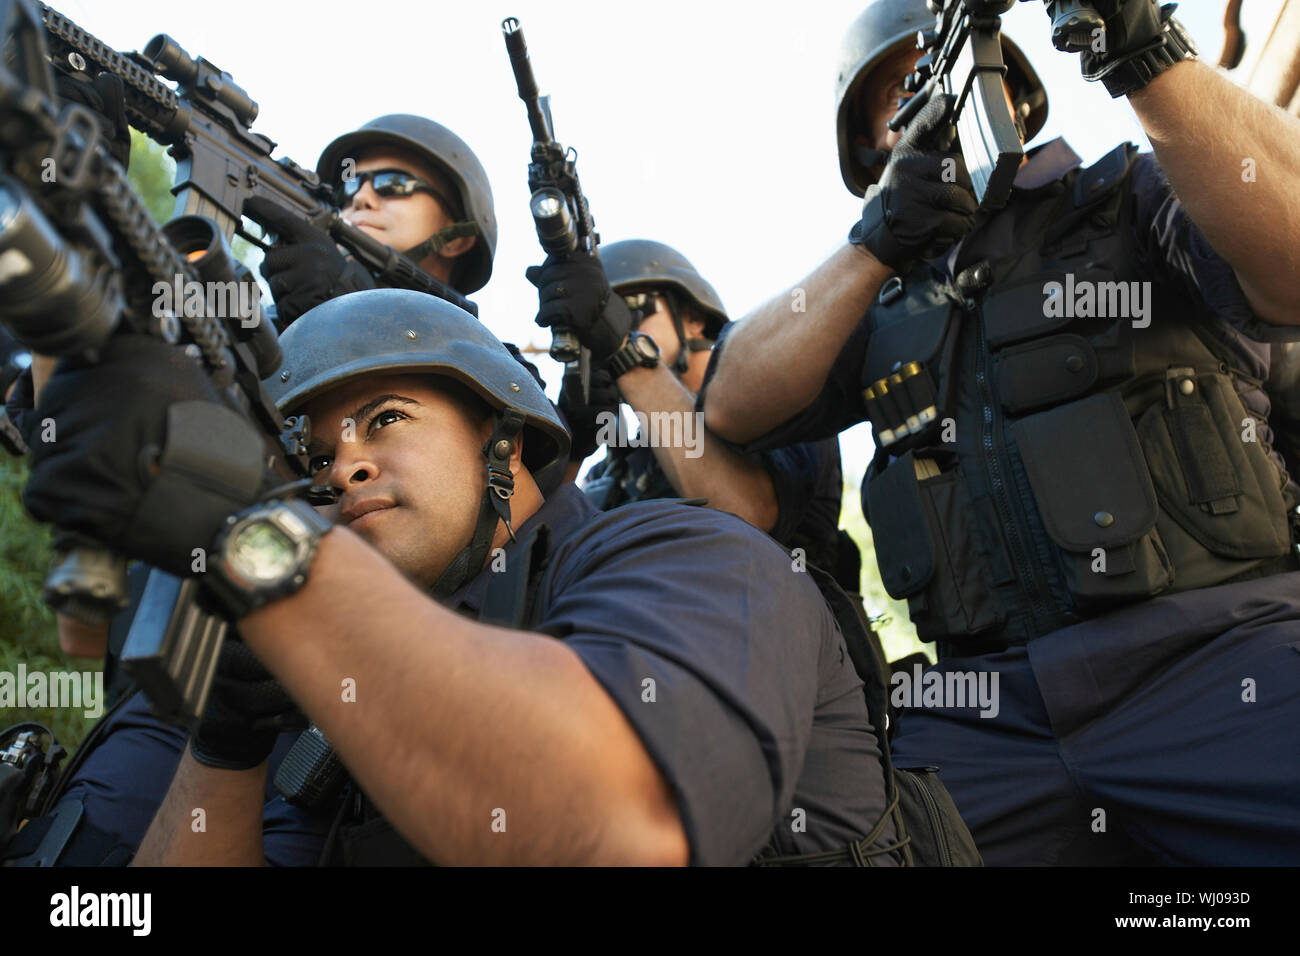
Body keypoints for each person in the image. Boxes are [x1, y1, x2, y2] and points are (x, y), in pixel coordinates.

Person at [699, 0, 1300, 864]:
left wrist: (1144, 51)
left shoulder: (1132, 193)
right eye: (898, 91)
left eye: (943, 67)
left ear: (1014, 91)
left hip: (1218, 654)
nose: (932, 94)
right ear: (872, 149)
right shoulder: (877, 305)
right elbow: (730, 403)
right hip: (985, 711)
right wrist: (877, 243)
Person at [15, 288, 900, 866]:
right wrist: (229, 741)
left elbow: (609, 829)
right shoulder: (343, 683)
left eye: (384, 419)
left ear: (504, 440)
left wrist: (262, 545)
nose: (341, 470)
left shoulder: (690, 557)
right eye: (312, 458)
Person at [534, 239, 851, 578]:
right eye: (594, 330)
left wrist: (624, 352)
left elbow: (746, 519)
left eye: (626, 314)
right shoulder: (619, 466)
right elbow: (542, 563)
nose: (603, 335)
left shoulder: (772, 392)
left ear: (694, 318)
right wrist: (570, 454)